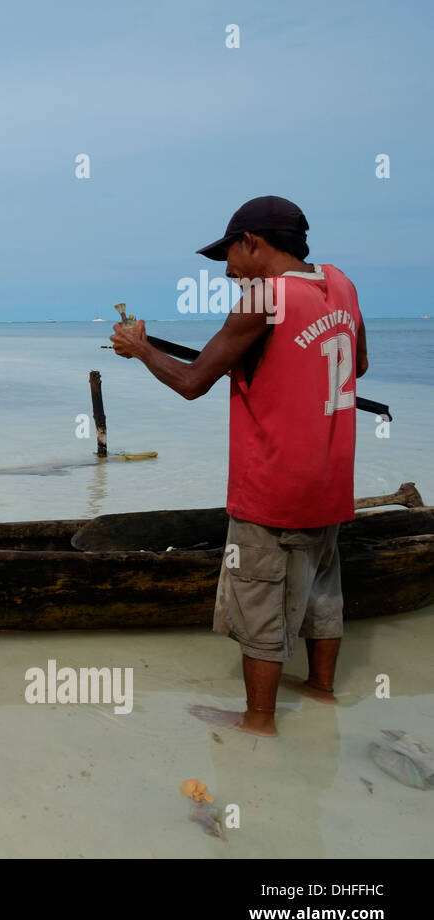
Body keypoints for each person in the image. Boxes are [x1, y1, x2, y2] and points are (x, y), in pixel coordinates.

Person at [110, 196, 367, 736]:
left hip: (273, 490)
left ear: (253, 242)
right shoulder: (341, 285)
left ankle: (258, 721)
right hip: (329, 483)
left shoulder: (262, 299)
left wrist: (140, 349)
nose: (226, 271)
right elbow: (357, 364)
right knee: (322, 589)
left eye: (228, 255)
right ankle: (321, 688)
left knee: (259, 599)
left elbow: (192, 382)